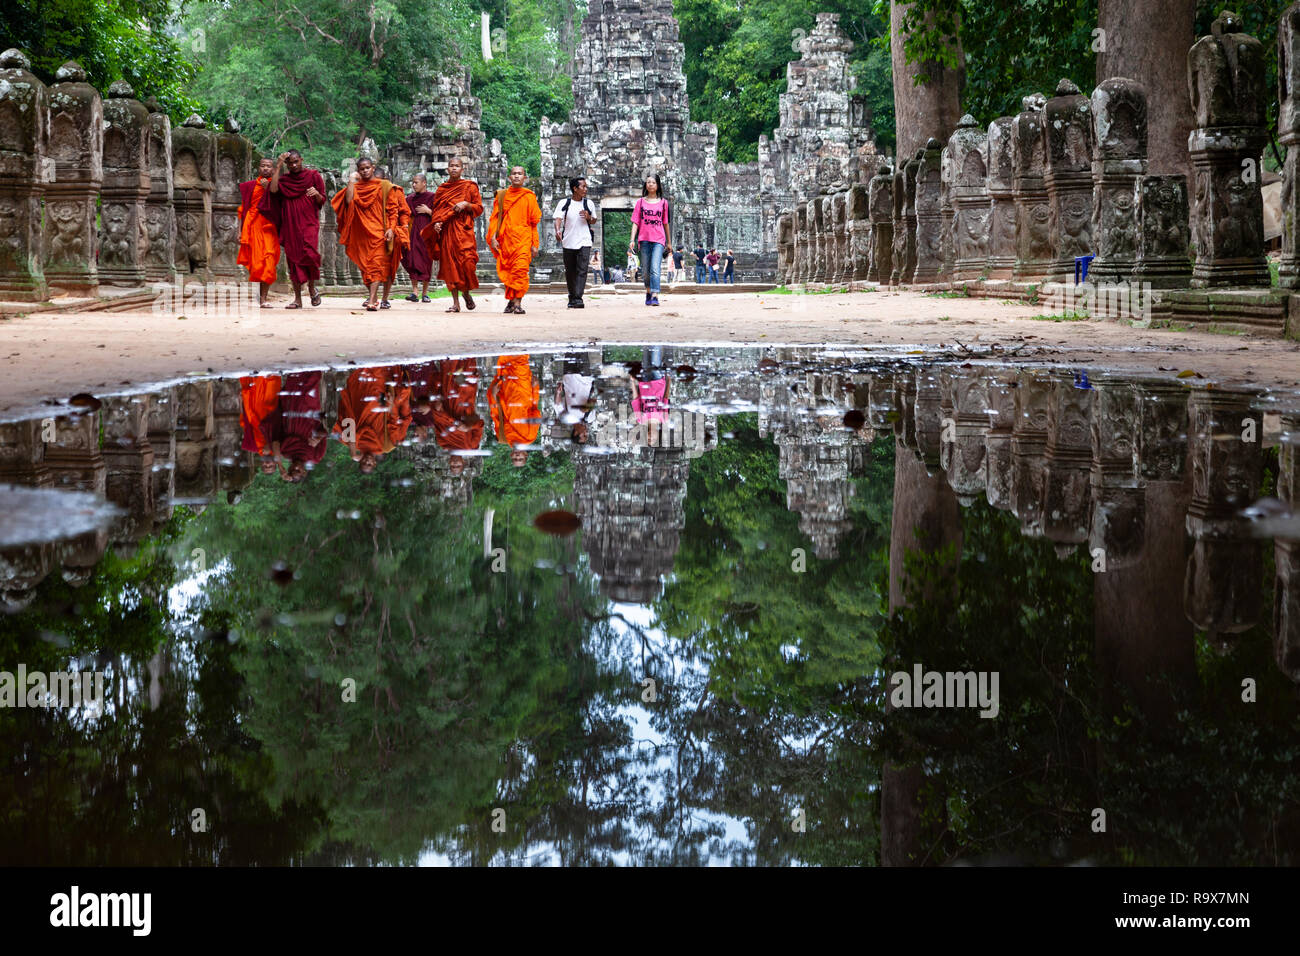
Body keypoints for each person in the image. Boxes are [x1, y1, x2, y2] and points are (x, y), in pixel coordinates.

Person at [330, 157, 401, 311]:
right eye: (361, 169)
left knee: (375, 265)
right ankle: (373, 297)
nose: (365, 171)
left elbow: (393, 210)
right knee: (366, 267)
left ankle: (372, 299)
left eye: (367, 168)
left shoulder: (385, 186)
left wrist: (391, 228)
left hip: (379, 233)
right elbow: (348, 201)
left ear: (373, 167)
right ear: (358, 170)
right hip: (361, 234)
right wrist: (351, 180)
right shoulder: (357, 186)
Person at [261, 149, 326, 309]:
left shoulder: (313, 176)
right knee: (293, 260)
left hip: (309, 223)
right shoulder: (285, 179)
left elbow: (322, 200)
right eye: (290, 163)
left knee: (310, 254)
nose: (294, 165)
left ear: (301, 159)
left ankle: (311, 287)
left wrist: (316, 193)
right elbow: (274, 190)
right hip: (290, 224)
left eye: (296, 161)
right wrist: (279, 165)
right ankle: (297, 299)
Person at [420, 156, 483, 313]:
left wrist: (467, 204)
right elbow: (437, 212)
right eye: (451, 166)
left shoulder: (470, 187)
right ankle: (456, 303)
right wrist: (437, 223)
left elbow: (479, 208)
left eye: (457, 166)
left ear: (463, 169)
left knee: (467, 263)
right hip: (447, 232)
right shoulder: (442, 189)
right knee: (450, 267)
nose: (454, 168)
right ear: (447, 169)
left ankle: (466, 293)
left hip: (464, 231)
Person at [333, 366, 412, 473]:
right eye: (369, 464)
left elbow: (348, 421)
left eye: (363, 463)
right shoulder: (387, 445)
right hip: (379, 398)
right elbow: (394, 421)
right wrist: (391, 405)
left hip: (359, 396)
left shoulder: (349, 443)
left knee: (362, 366)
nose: (367, 461)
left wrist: (352, 450)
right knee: (378, 367)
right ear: (374, 463)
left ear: (359, 461)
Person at [488, 165, 542, 314]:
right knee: (509, 271)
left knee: (520, 271)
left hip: (524, 239)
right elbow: (495, 219)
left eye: (520, 174)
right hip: (506, 240)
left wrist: (535, 243)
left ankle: (518, 303)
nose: (517, 176)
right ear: (509, 177)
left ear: (525, 178)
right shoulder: (502, 196)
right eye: (514, 174)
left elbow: (533, 223)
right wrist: (493, 237)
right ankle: (511, 301)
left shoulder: (529, 196)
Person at [236, 158, 280, 308]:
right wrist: (240, 231)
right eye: (263, 166)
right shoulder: (250, 186)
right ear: (258, 168)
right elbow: (243, 209)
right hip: (253, 226)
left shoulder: (277, 187)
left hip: (269, 227)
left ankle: (263, 298)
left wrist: (269, 189)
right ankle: (259, 298)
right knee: (256, 264)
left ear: (273, 170)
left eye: (269, 166)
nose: (266, 168)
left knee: (268, 261)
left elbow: (281, 206)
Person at [489, 354, 540, 466]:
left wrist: (493, 395)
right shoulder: (530, 437)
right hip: (524, 393)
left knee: (506, 365)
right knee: (520, 361)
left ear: (511, 455)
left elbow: (495, 414)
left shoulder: (502, 436)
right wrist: (535, 388)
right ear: (525, 454)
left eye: (515, 459)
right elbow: (535, 409)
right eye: (520, 459)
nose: (517, 457)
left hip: (506, 393)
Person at [554, 176, 597, 309]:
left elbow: (594, 220)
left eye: (586, 186)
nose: (586, 189)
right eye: (583, 187)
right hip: (568, 241)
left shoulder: (588, 203)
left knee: (582, 269)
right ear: (575, 188)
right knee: (570, 271)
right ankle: (572, 296)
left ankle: (578, 298)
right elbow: (558, 218)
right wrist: (557, 231)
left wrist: (588, 217)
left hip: (585, 241)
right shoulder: (564, 203)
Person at [629, 173, 671, 306]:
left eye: (653, 182)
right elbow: (635, 222)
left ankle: (655, 294)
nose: (650, 184)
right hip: (644, 239)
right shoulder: (640, 202)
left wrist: (669, 242)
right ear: (645, 185)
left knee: (655, 268)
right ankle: (648, 291)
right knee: (646, 270)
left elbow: (665, 223)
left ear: (657, 185)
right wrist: (632, 240)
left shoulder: (664, 203)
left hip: (659, 239)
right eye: (648, 182)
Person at [239, 374, 282, 475]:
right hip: (269, 413)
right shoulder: (278, 450)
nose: (267, 464)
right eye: (270, 466)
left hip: (252, 412)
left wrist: (241, 403)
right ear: (275, 463)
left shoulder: (252, 447)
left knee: (251, 383)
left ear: (261, 463)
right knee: (270, 386)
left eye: (265, 466)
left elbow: (245, 424)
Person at [403, 173, 435, 302]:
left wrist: (429, 211)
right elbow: (404, 213)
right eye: (413, 182)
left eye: (416, 182)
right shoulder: (409, 199)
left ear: (424, 183)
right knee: (412, 260)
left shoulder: (432, 197)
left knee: (427, 261)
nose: (414, 185)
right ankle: (415, 292)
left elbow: (440, 215)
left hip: (427, 234)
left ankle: (425, 293)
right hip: (412, 233)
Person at [380, 177, 411, 309]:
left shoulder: (396, 191)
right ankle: (373, 296)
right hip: (372, 232)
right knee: (370, 265)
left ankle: (385, 297)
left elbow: (404, 211)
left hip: (392, 234)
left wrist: (403, 226)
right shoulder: (368, 190)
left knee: (389, 267)